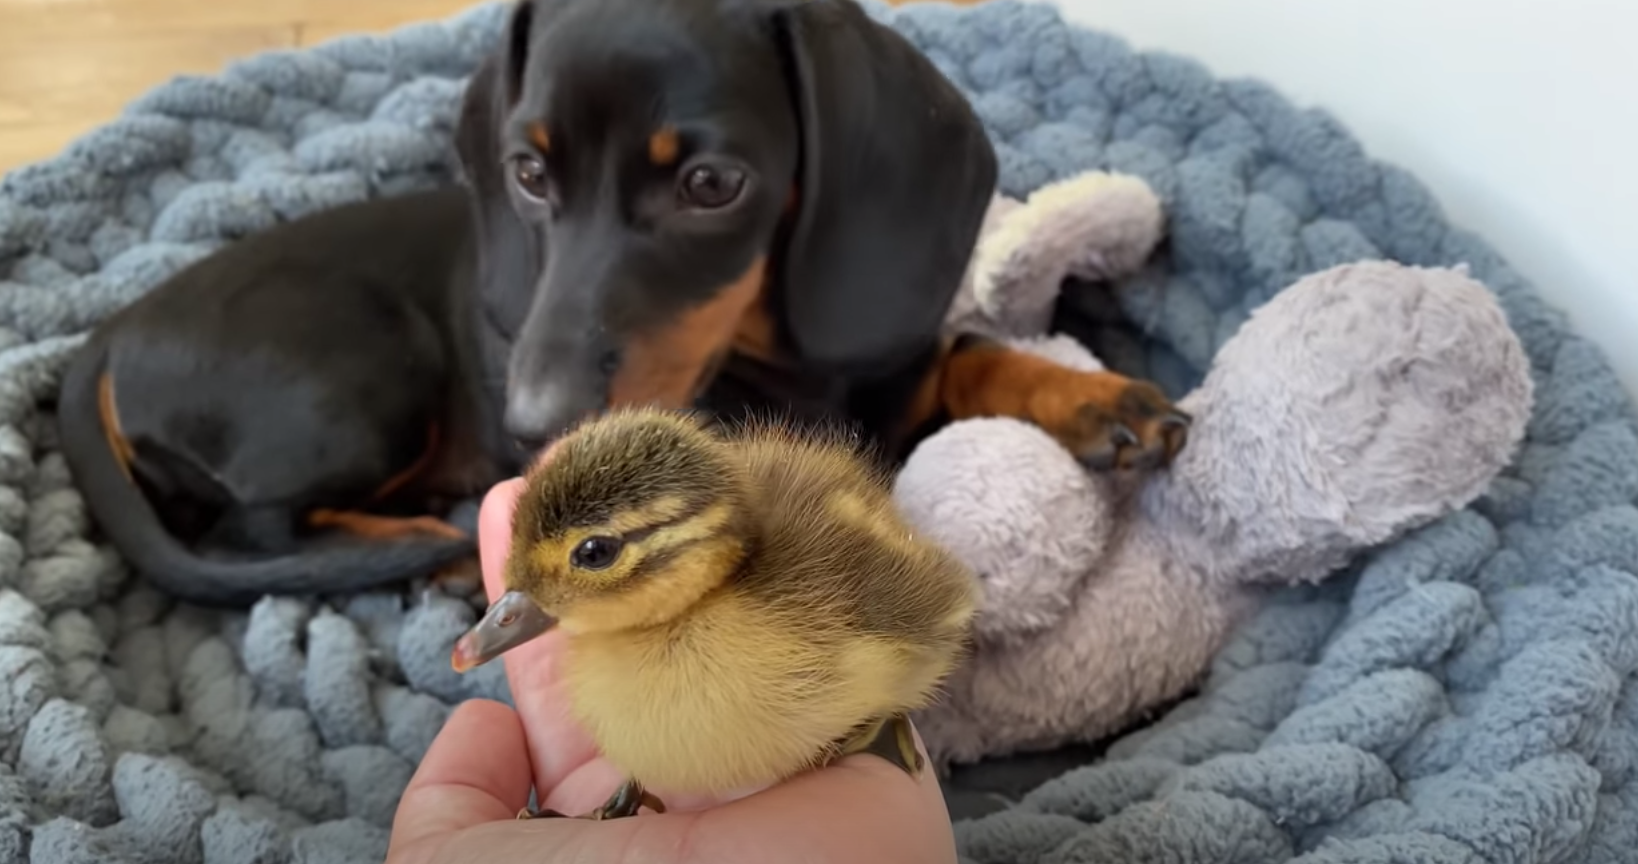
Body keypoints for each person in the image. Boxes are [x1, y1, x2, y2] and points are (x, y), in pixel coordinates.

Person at [384, 476, 962, 864]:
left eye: (593, 555)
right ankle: (627, 795)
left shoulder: (800, 623)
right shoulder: (606, 645)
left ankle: (873, 723)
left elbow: (938, 599)